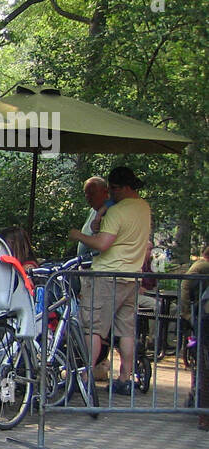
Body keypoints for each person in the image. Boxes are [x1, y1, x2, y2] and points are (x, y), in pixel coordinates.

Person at [68, 165, 152, 397]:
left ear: (125, 187)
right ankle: (125, 378)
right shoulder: (143, 208)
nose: (112, 193)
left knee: (93, 328)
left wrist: (79, 235)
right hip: (131, 277)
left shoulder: (118, 211)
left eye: (114, 188)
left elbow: (102, 244)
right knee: (126, 330)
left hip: (106, 276)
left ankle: (85, 377)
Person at [76, 176, 110, 263]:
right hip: (84, 269)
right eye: (86, 193)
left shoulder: (112, 212)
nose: (88, 197)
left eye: (92, 193)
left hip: (102, 270)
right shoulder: (93, 211)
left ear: (105, 193)